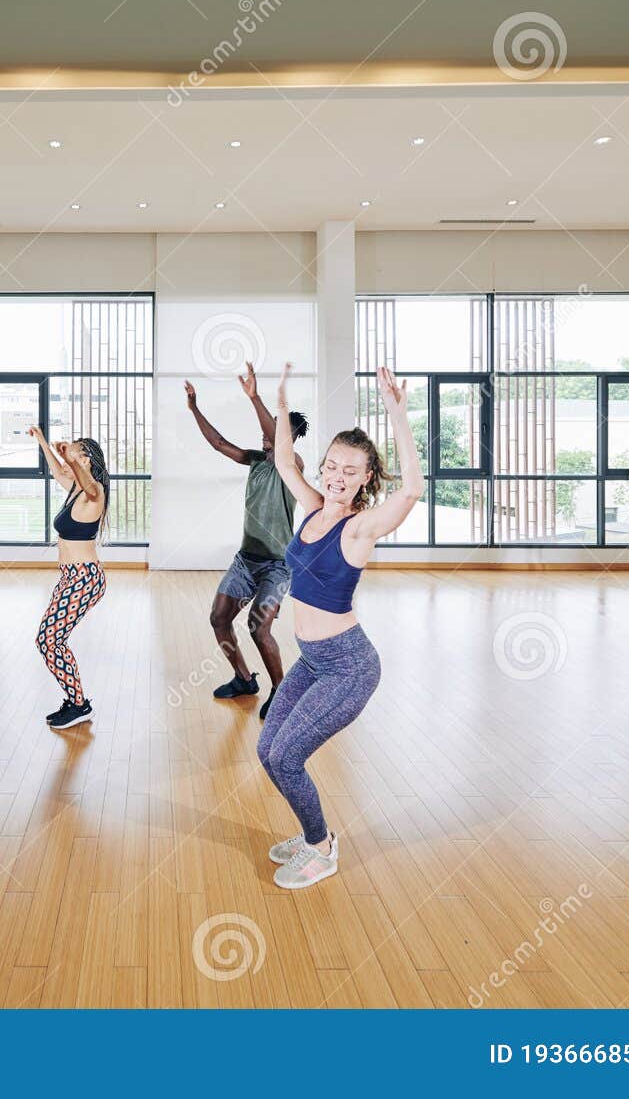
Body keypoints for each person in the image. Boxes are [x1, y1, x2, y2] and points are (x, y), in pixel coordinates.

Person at [259, 364, 423, 891]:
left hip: (348, 668)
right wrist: (282, 407)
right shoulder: (311, 510)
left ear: (366, 479)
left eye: (349, 471)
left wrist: (396, 412)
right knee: (267, 750)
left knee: (286, 756)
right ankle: (310, 837)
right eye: (331, 465)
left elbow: (413, 490)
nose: (334, 476)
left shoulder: (359, 528)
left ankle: (321, 847)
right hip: (312, 660)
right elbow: (284, 460)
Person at [185, 362, 309, 720]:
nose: (265, 434)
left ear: (290, 435)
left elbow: (279, 439)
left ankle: (282, 692)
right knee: (219, 618)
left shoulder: (294, 465)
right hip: (247, 560)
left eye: (275, 429)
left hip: (278, 565)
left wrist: (254, 397)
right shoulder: (255, 461)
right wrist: (195, 408)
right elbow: (219, 443)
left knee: (259, 625)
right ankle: (243, 678)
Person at [28, 426, 109, 731]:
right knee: (49, 639)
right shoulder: (74, 488)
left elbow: (89, 484)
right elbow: (56, 470)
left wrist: (72, 459)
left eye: (74, 453)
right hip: (69, 577)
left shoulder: (94, 492)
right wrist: (42, 440)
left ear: (86, 460)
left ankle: (79, 704)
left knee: (49, 640)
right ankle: (76, 701)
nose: (66, 459)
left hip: (84, 579)